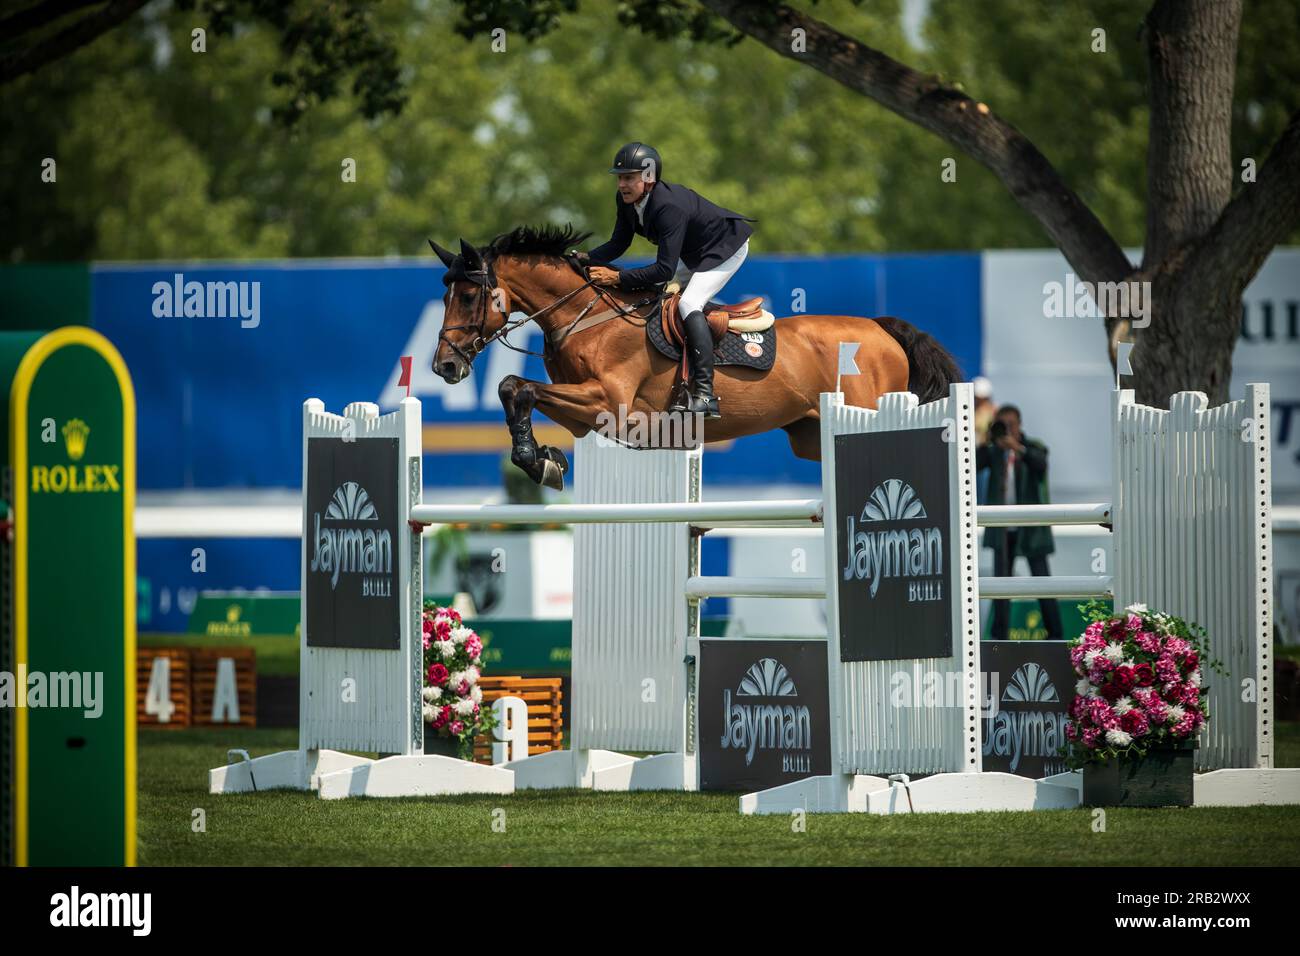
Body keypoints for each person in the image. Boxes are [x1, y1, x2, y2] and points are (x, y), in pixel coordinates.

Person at [577, 142, 756, 418]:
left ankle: (706, 395)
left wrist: (618, 277)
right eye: (620, 178)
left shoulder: (668, 206)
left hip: (724, 248)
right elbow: (618, 243)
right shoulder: (626, 201)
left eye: (629, 178)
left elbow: (663, 270)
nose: (622, 184)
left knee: (688, 304)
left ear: (648, 178)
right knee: (663, 300)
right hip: (693, 251)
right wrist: (584, 259)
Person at [977, 404, 1063, 640]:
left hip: (1031, 528)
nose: (1007, 429)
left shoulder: (1033, 447)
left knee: (1043, 583)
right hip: (1003, 528)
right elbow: (972, 463)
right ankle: (999, 637)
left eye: (1010, 425)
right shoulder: (994, 451)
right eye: (1002, 425)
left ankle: (1055, 635)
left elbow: (1040, 463)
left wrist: (1017, 448)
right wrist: (989, 439)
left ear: (1019, 425)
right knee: (1001, 586)